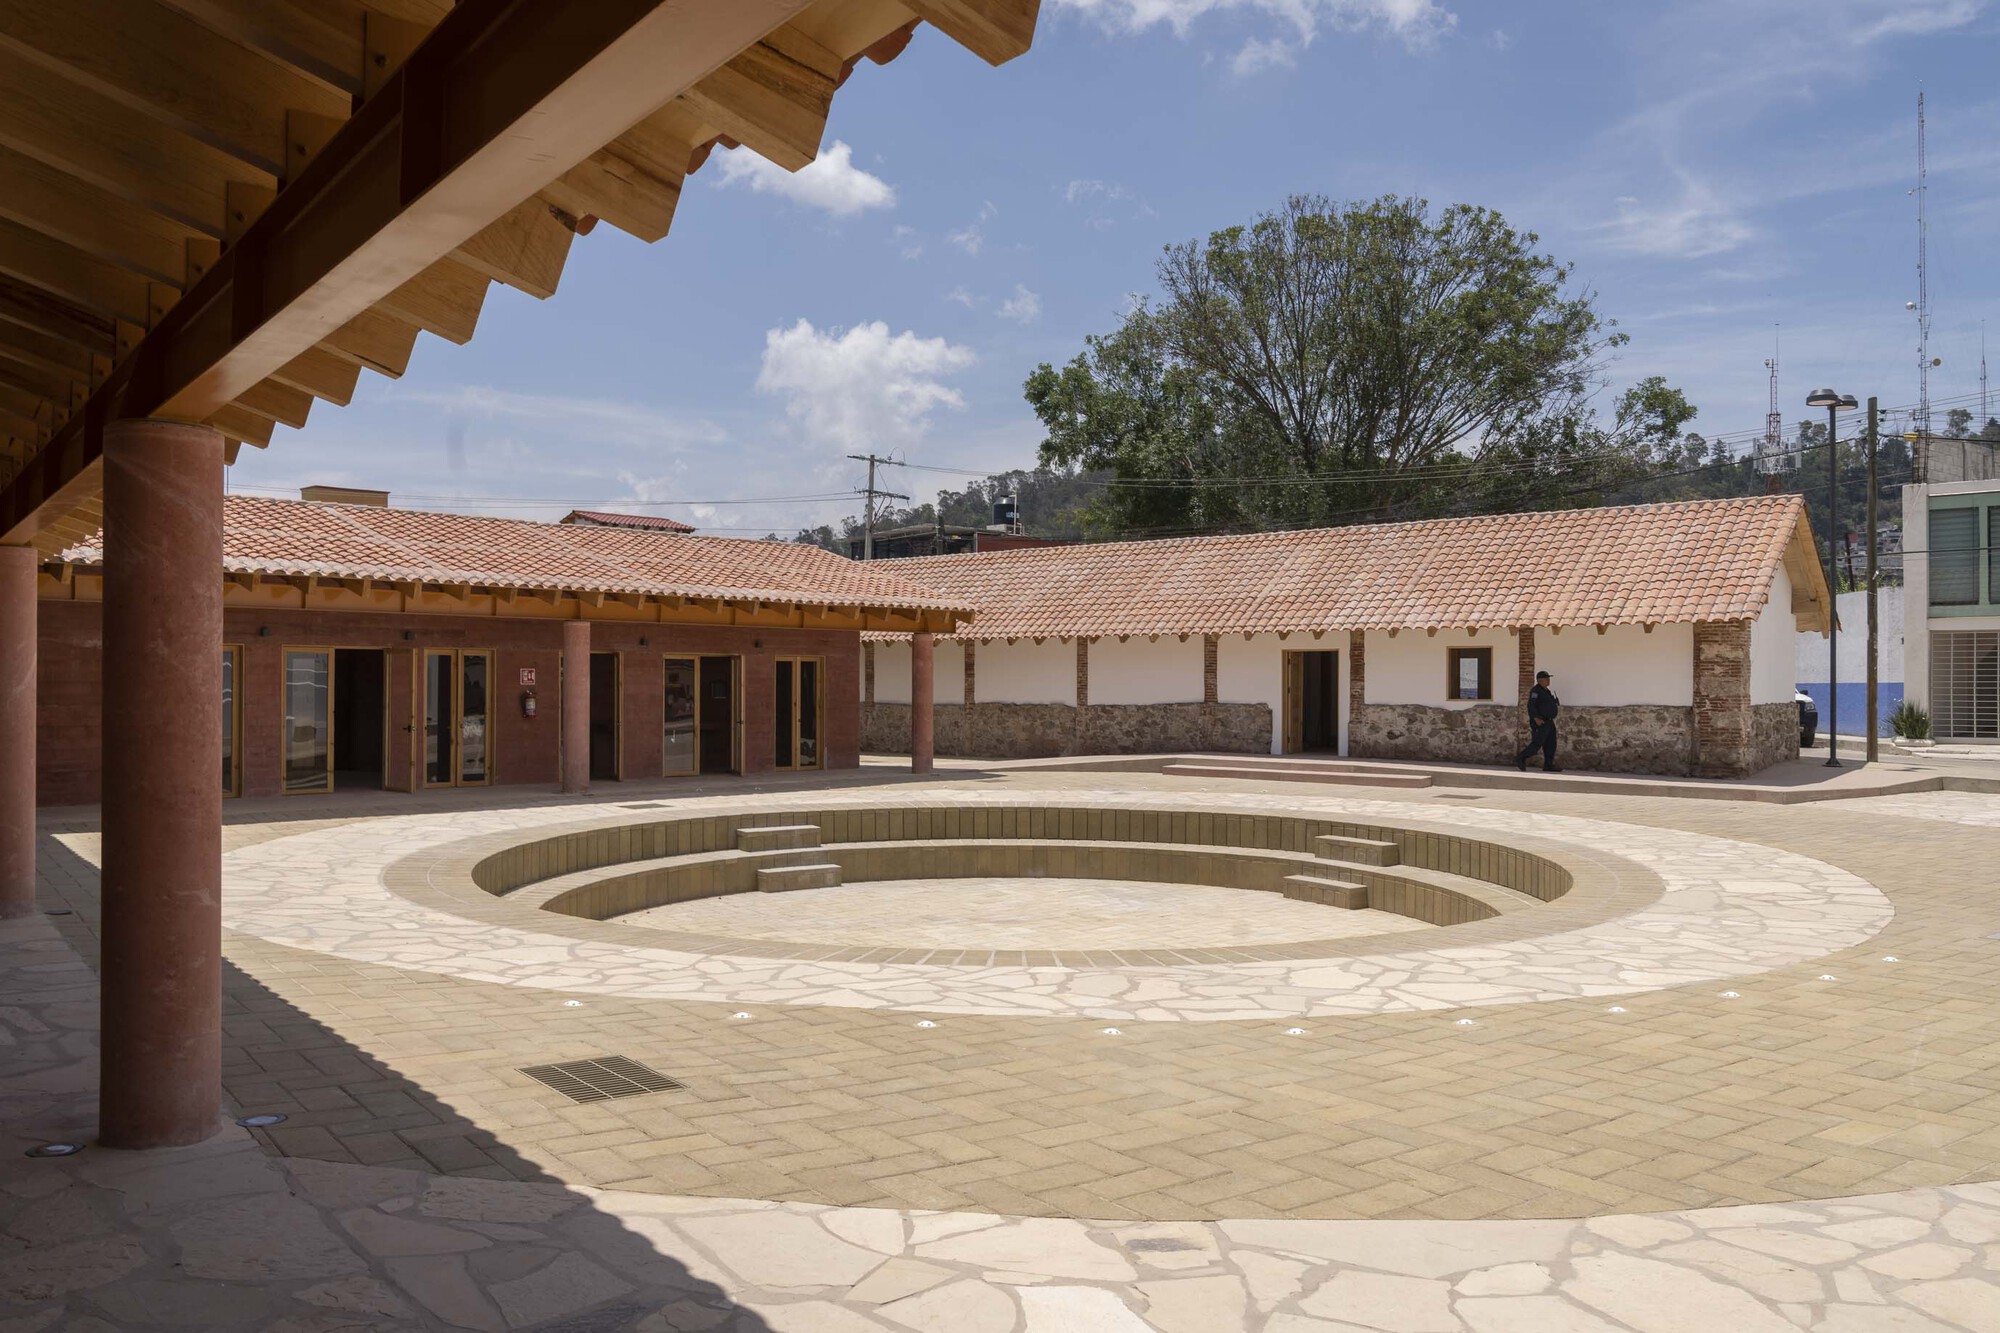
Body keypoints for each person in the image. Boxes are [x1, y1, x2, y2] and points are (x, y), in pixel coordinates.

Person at [1515, 669, 1560, 772]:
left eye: (1548, 678)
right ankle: (1521, 758)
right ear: (1540, 680)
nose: (1548, 680)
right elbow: (1531, 705)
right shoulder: (1536, 691)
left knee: (1551, 744)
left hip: (1549, 721)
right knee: (1537, 744)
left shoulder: (1546, 691)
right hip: (1541, 721)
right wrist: (1536, 718)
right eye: (1546, 678)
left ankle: (1548, 765)